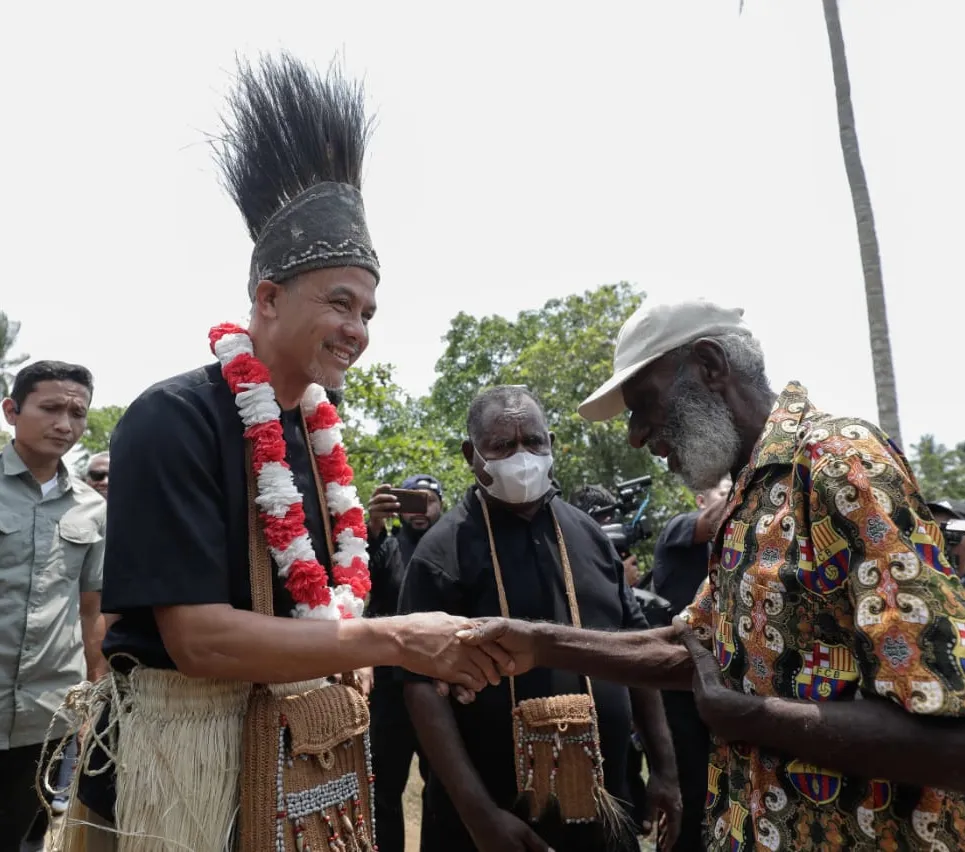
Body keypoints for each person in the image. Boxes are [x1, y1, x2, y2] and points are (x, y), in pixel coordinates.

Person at [51, 54, 508, 852]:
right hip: (186, 764)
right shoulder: (170, 418)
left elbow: (319, 605)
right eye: (339, 301)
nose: (359, 330)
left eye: (368, 309)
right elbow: (200, 641)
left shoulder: (314, 433)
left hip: (299, 756)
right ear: (265, 297)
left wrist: (349, 648)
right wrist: (392, 639)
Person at [461, 300, 965, 851]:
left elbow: (947, 740)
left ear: (710, 366)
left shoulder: (839, 464)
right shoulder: (752, 499)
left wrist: (748, 717)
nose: (636, 435)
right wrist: (538, 644)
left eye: (644, 404)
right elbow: (694, 650)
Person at [400, 386, 681, 852]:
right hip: (489, 826)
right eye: (503, 446)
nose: (523, 456)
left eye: (534, 442)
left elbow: (635, 654)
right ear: (472, 455)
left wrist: (665, 770)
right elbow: (420, 689)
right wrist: (480, 815)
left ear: (550, 442)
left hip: (601, 810)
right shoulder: (440, 554)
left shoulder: (590, 536)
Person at [0, 361, 107, 851]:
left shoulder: (93, 509)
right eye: (51, 408)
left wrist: (94, 705)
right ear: (12, 410)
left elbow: (92, 613)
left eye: (77, 412)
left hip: (47, 716)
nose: (65, 424)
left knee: (26, 836)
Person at [648, 476, 729, 852]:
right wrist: (752, 481)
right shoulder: (678, 530)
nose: (731, 497)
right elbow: (713, 520)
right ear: (701, 500)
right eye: (723, 491)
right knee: (690, 791)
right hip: (678, 691)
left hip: (721, 689)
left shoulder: (738, 546)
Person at [365, 474, 444, 852]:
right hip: (390, 692)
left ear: (442, 506)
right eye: (414, 500)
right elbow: (357, 578)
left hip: (439, 688)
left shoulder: (452, 550)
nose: (421, 510)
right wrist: (373, 526)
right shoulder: (388, 548)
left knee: (443, 788)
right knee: (384, 789)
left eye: (429, 501)